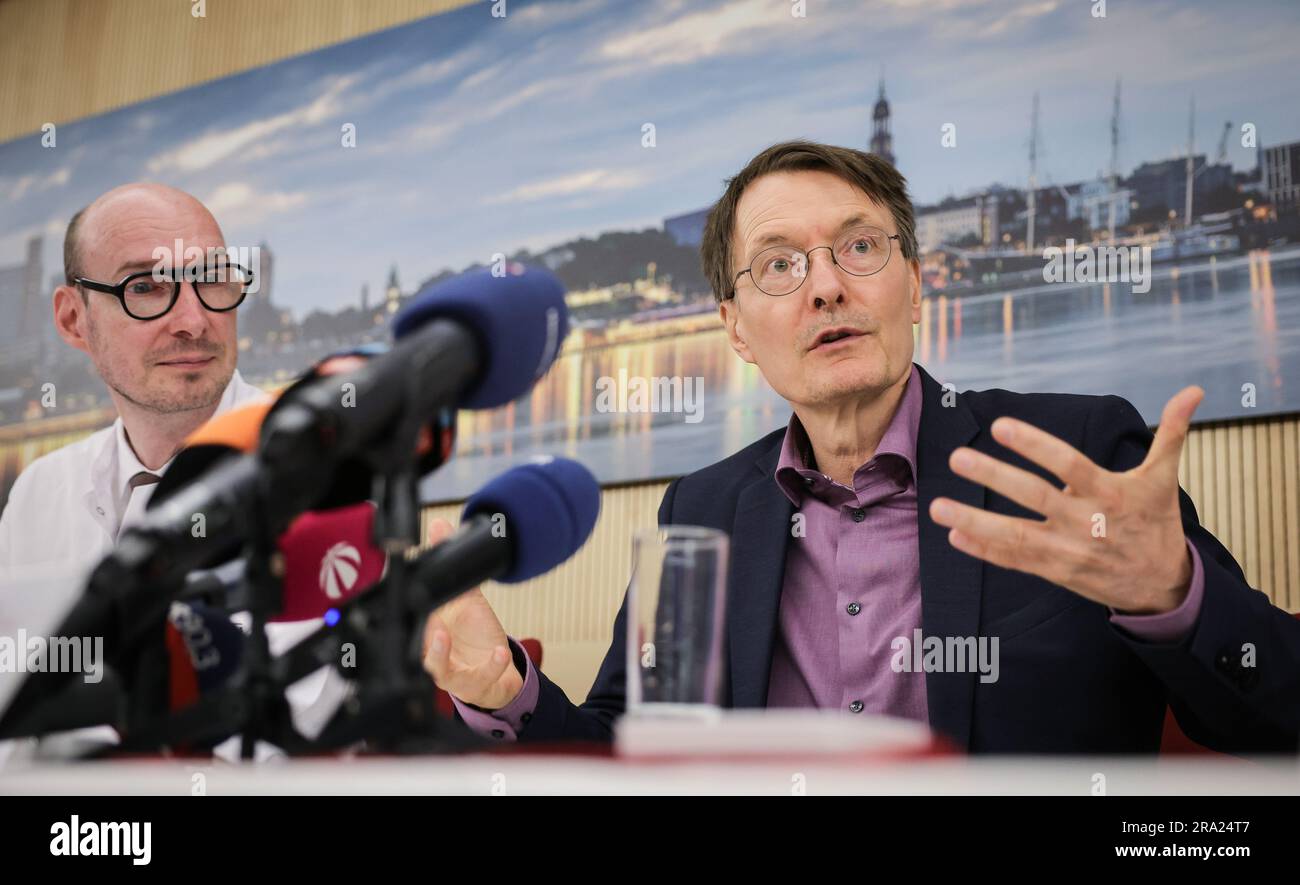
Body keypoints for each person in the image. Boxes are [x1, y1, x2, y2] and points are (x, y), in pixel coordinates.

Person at [422, 140, 1300, 754]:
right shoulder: (701, 508)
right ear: (734, 328)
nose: (828, 286)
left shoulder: (1072, 450)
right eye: (779, 264)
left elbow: (1276, 714)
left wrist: (1175, 598)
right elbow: (636, 751)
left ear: (915, 286)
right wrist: (503, 691)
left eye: (860, 247)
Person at [0, 182, 266, 575]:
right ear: (74, 320)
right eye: (144, 287)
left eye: (211, 278)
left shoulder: (330, 465)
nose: (193, 323)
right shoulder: (40, 492)